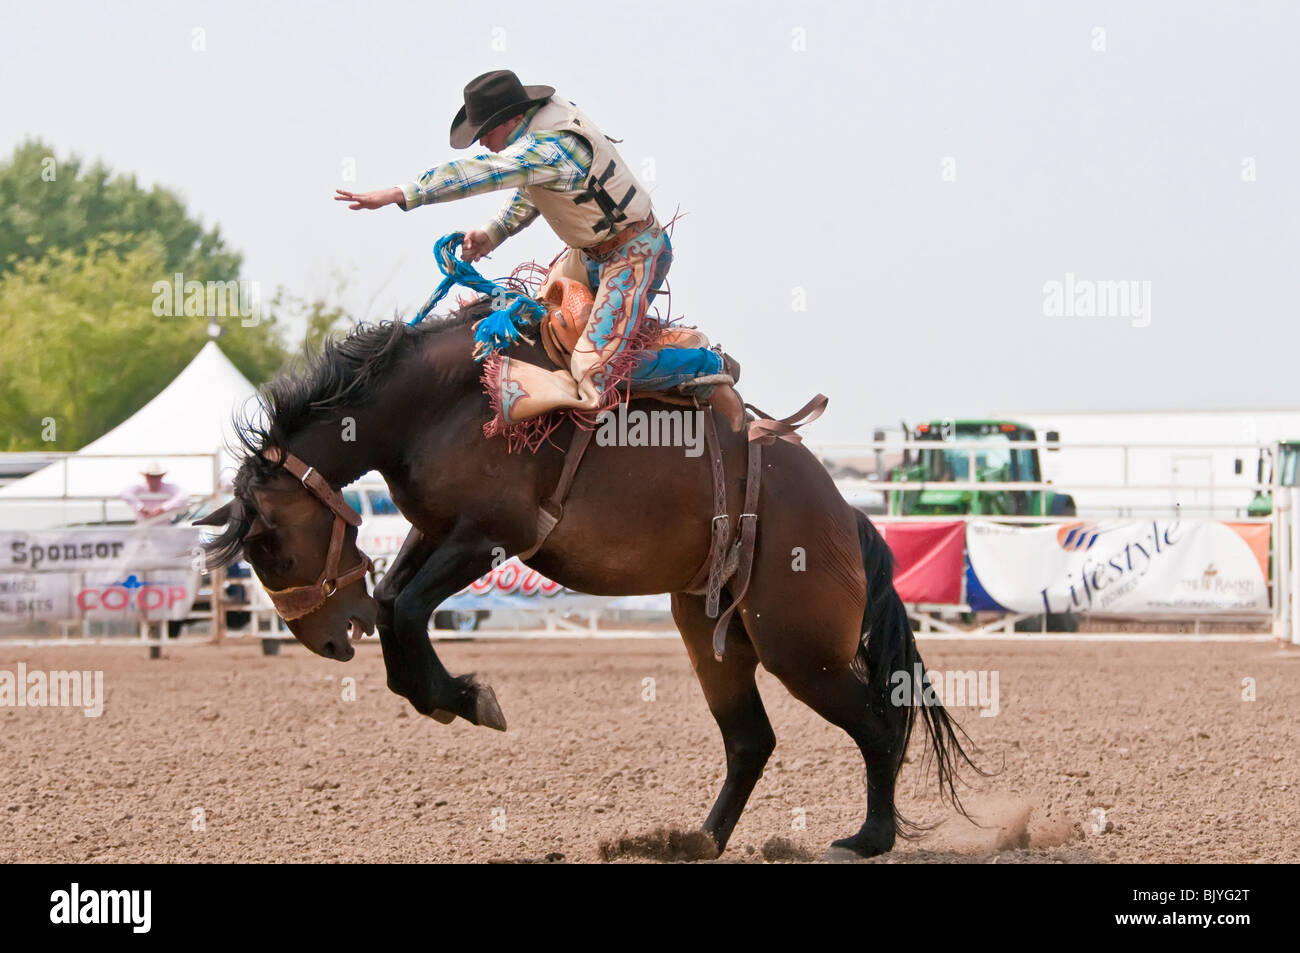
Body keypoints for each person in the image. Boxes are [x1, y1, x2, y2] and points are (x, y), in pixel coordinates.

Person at [335, 69, 743, 435]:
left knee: (593, 371)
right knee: (536, 325)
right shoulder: (541, 139)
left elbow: (485, 172)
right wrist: (493, 233)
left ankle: (705, 367)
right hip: (588, 254)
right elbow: (534, 185)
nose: (482, 142)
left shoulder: (553, 147)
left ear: (511, 119)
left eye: (485, 132)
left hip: (633, 255)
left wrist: (402, 193)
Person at [120, 463, 189, 522]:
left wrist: (163, 508)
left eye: (156, 476)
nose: (154, 479)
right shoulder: (139, 487)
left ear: (161, 477)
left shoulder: (168, 487)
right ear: (146, 477)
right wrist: (141, 507)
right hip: (142, 529)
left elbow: (184, 495)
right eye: (151, 476)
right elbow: (124, 492)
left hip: (164, 530)